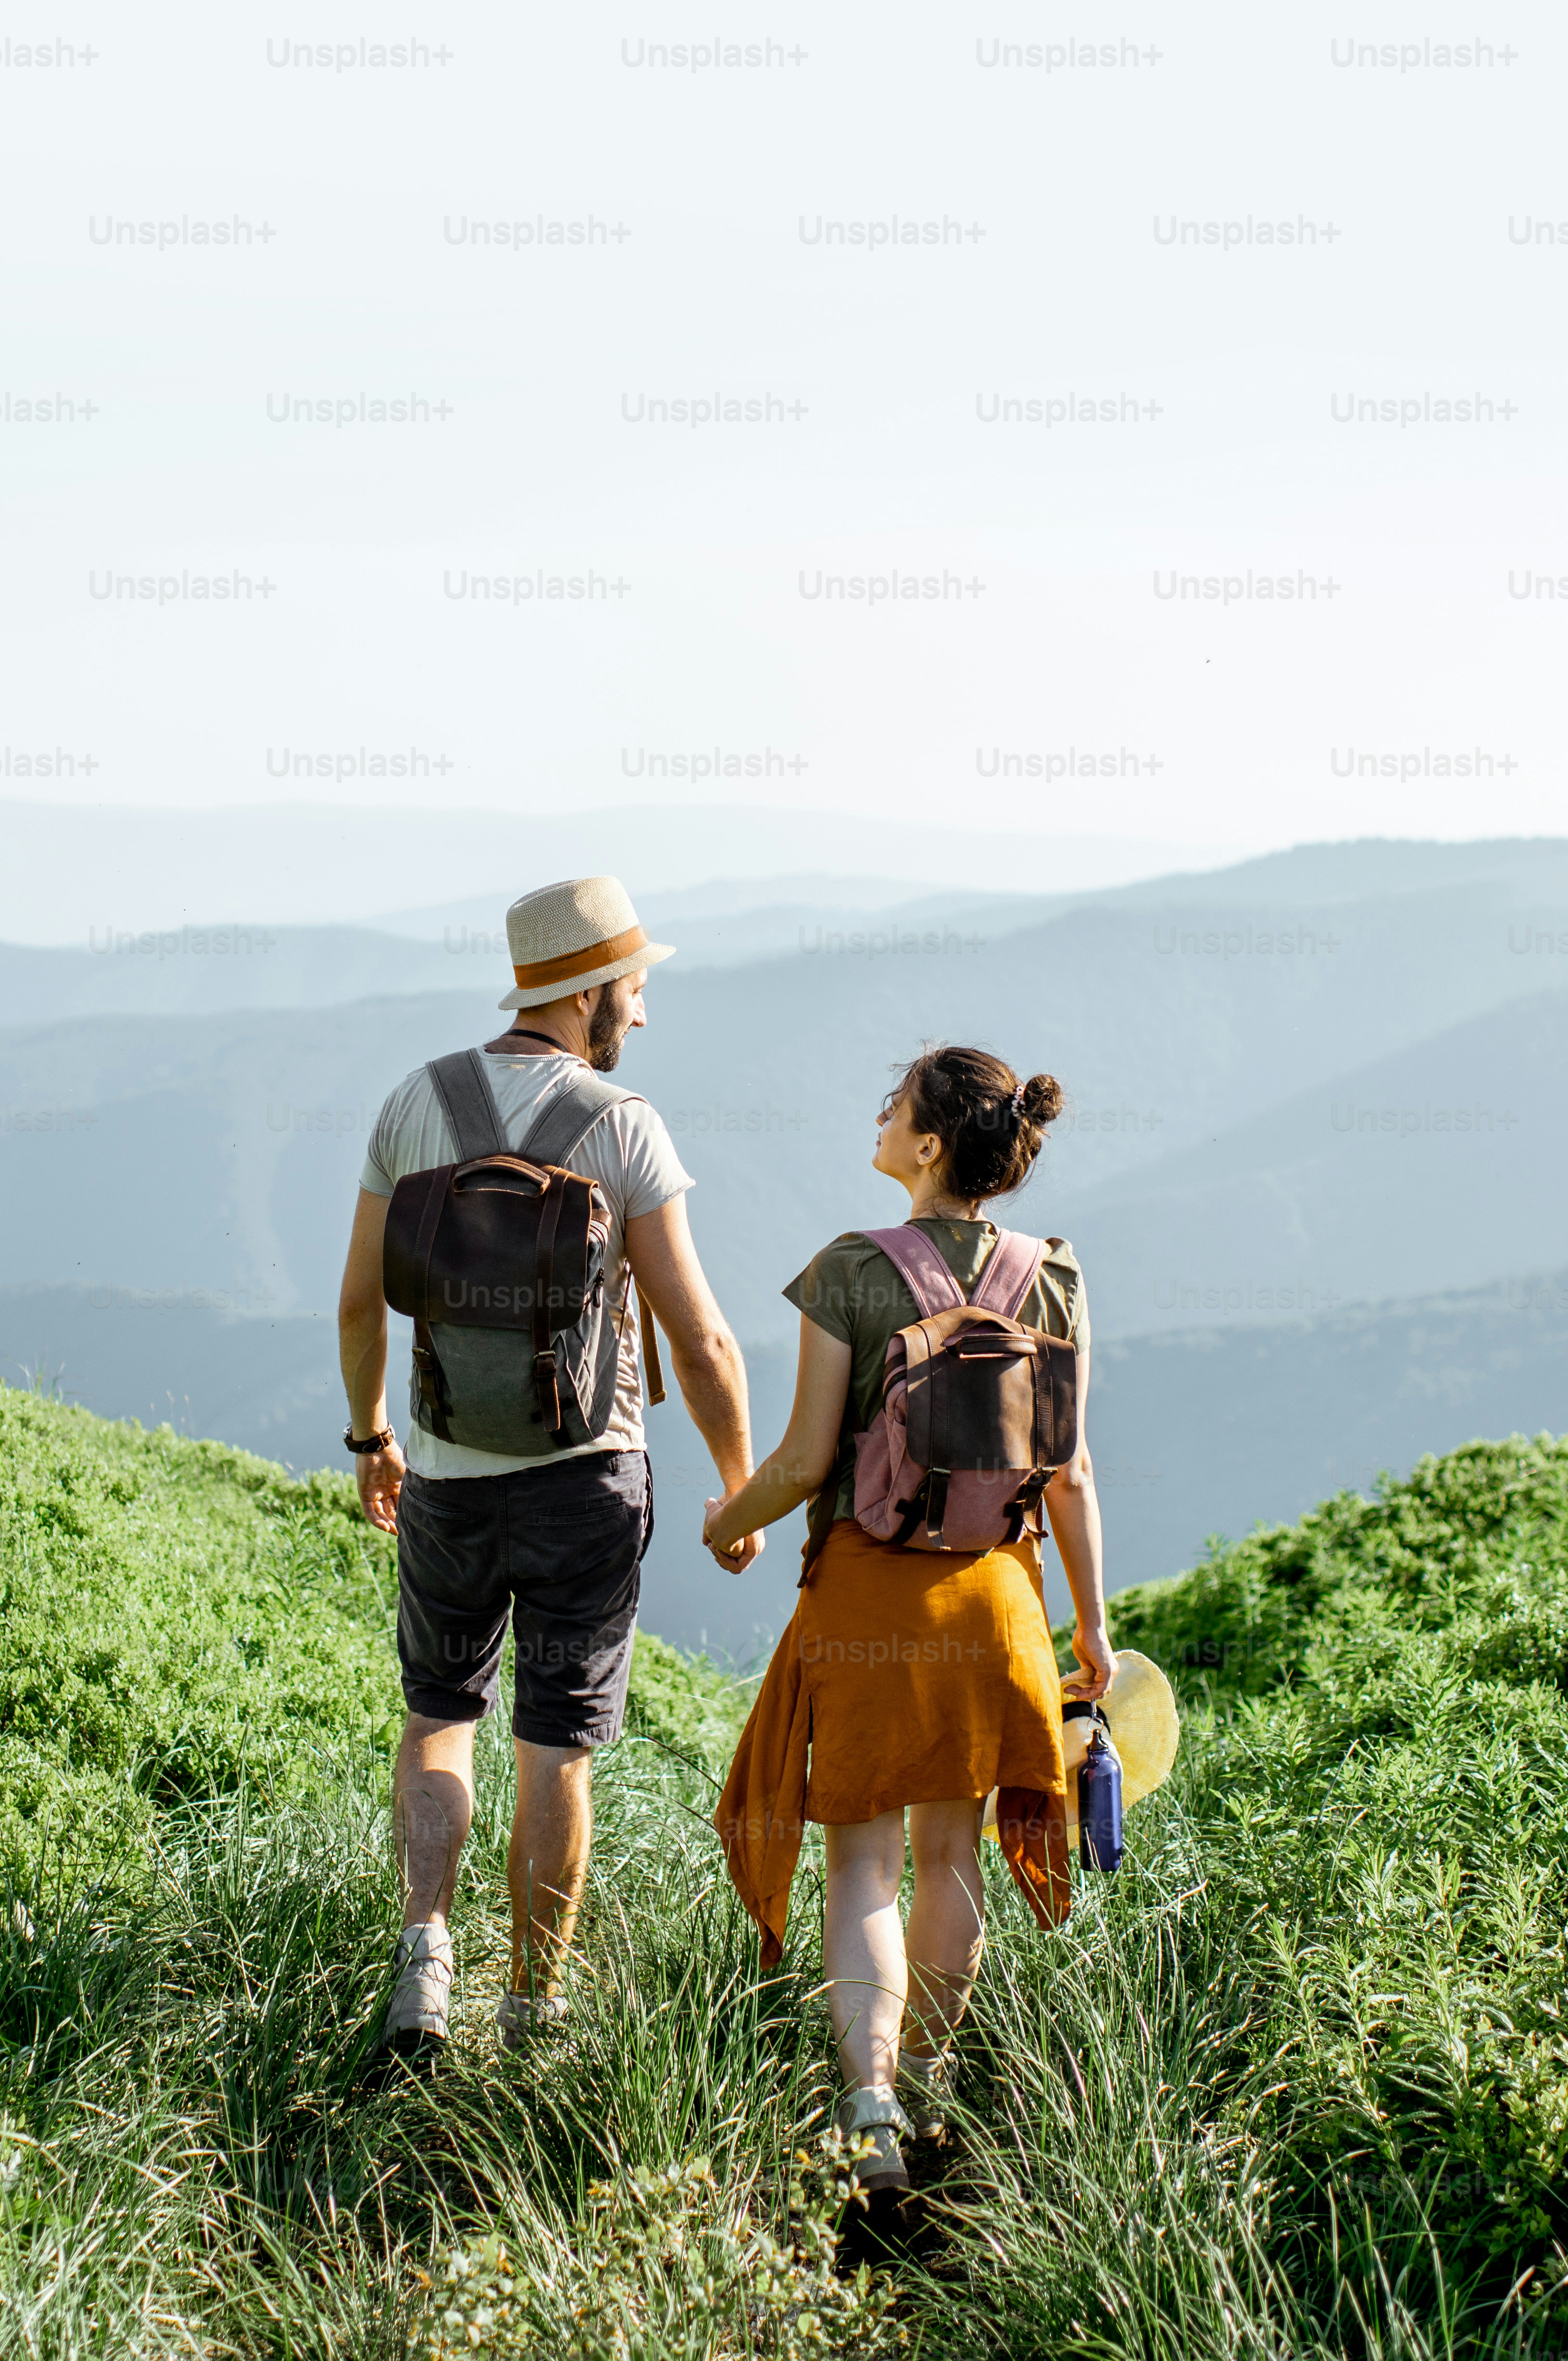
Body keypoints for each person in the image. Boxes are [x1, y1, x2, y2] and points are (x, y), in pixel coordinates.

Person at [336, 876, 758, 2054]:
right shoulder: (621, 1123)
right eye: (633, 985)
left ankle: (424, 1957)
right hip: (585, 1474)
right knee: (555, 1744)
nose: (641, 1009)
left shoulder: (413, 1103)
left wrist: (373, 1436)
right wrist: (737, 1483)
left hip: (447, 1474)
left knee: (436, 1718)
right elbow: (700, 1333)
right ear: (586, 992)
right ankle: (533, 2004)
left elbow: (359, 1303)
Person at [701, 1045, 1113, 2193]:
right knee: (951, 1854)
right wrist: (1090, 1625)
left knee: (862, 1866)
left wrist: (719, 1519)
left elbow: (803, 1458)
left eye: (893, 1105)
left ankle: (869, 2101)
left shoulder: (847, 1269)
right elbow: (1070, 1471)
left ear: (927, 1145)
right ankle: (927, 2080)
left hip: (870, 1588)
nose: (877, 1116)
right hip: (997, 1595)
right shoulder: (1055, 1275)